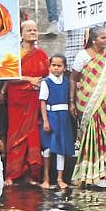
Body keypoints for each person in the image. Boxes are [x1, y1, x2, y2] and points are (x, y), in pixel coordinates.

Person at [72, 26, 106, 189]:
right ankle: (88, 175)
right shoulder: (82, 56)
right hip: (86, 103)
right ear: (94, 40)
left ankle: (105, 175)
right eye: (103, 37)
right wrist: (71, 102)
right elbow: (73, 79)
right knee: (89, 137)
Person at [4, 19, 47, 184]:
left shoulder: (41, 54)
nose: (33, 33)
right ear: (21, 34)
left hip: (34, 99)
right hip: (17, 98)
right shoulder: (13, 53)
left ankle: (31, 174)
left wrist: (38, 84)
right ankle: (12, 174)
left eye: (35, 30)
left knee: (32, 135)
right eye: (29, 30)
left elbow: (46, 76)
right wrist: (30, 79)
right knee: (15, 134)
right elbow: (9, 76)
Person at [39, 54, 75, 189]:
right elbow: (43, 102)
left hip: (63, 118)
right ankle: (46, 178)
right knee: (48, 148)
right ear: (49, 67)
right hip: (51, 116)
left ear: (64, 68)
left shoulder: (66, 82)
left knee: (61, 148)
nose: (56, 68)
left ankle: (60, 178)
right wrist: (45, 121)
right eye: (53, 65)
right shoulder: (46, 82)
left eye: (59, 66)